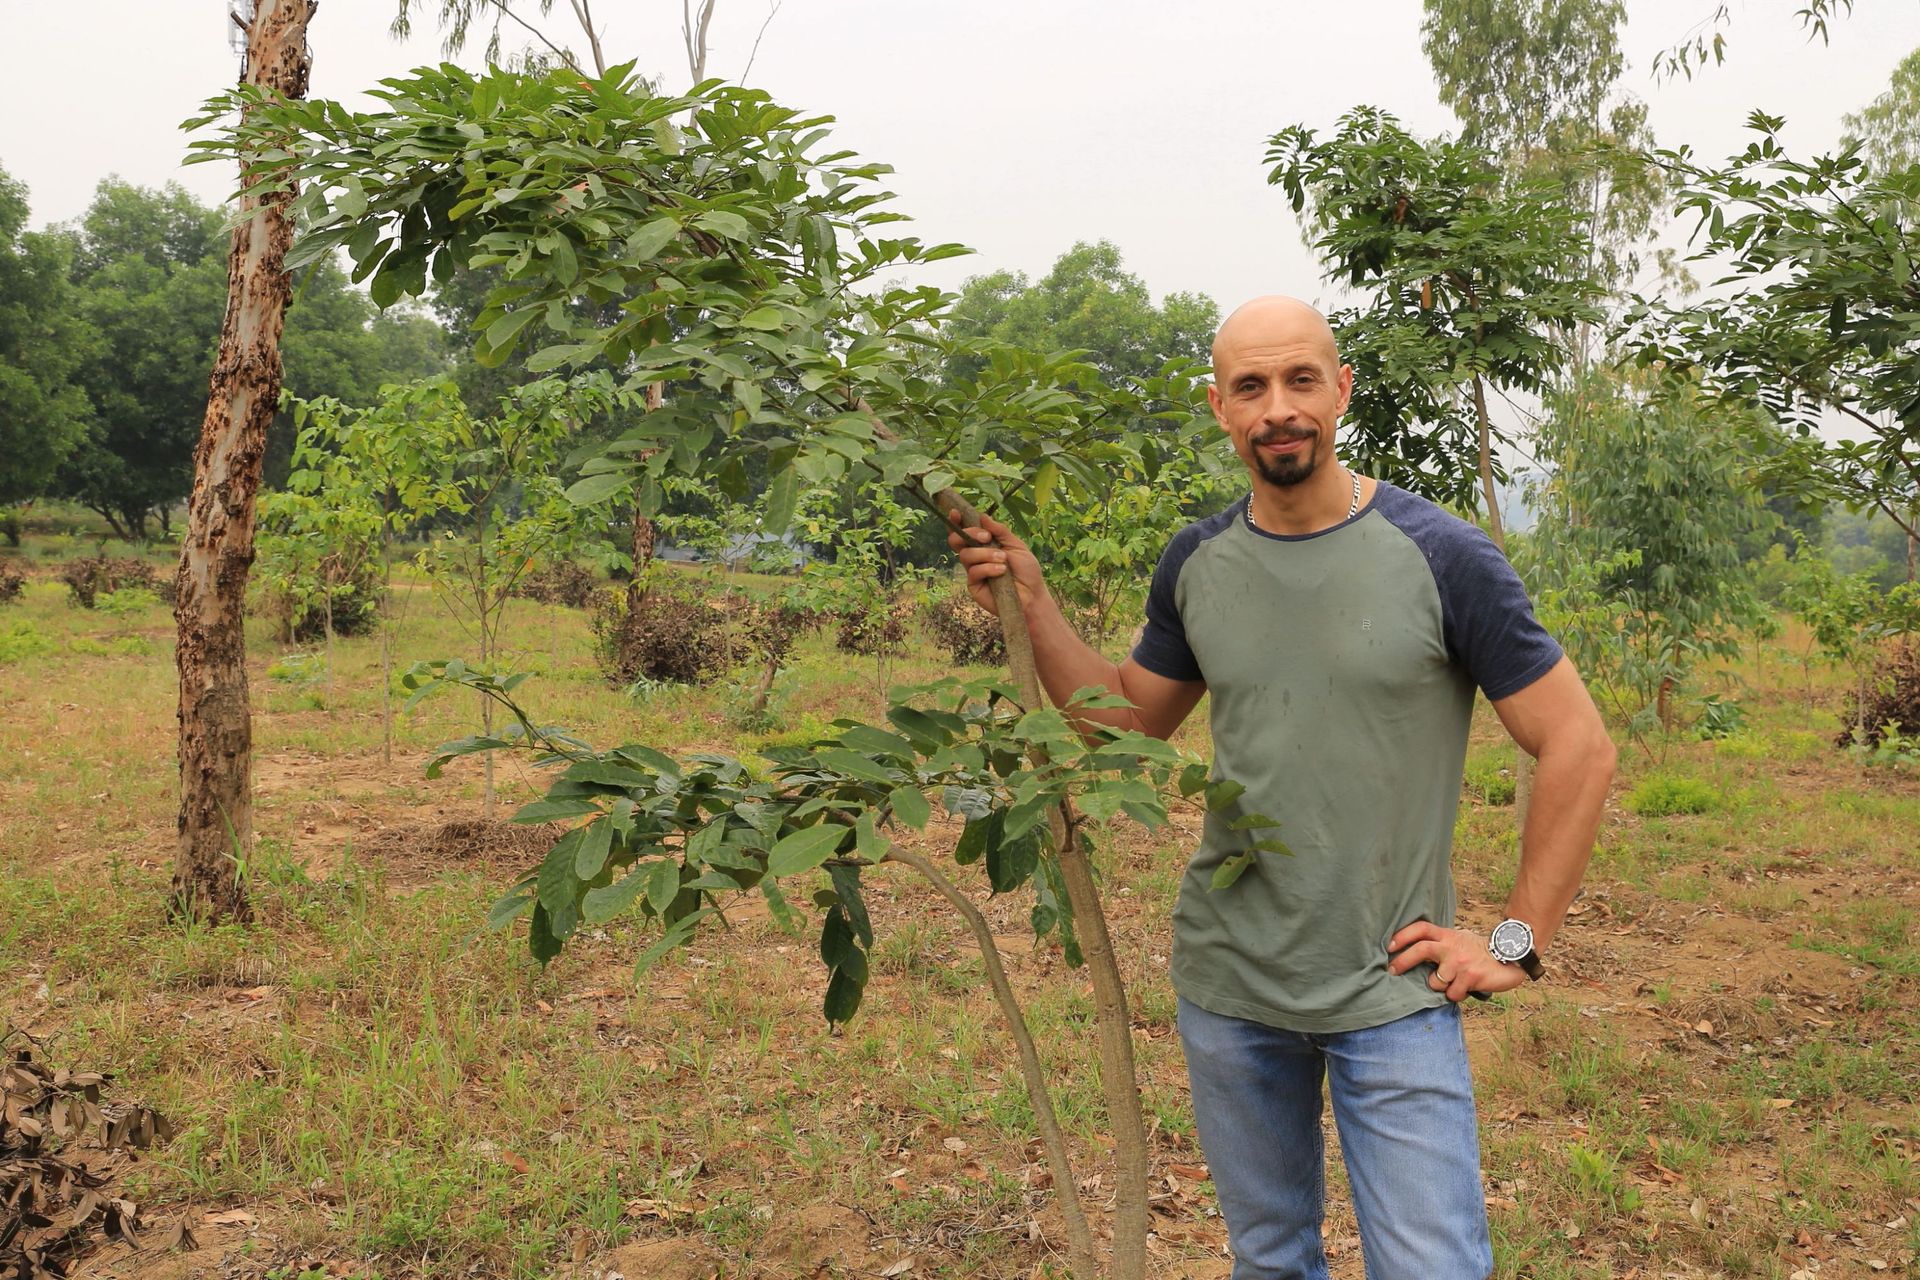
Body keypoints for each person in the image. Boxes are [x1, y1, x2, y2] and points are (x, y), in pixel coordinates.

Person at [948, 295, 1616, 1280]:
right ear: (1219, 406)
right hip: (1232, 986)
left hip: (1393, 987)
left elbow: (1578, 744)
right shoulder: (1198, 563)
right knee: (1268, 1257)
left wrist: (1516, 940)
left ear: (1341, 390)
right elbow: (1128, 720)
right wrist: (1036, 603)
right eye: (1251, 386)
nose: (1278, 407)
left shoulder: (1442, 555)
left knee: (1433, 1263)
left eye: (1301, 379)